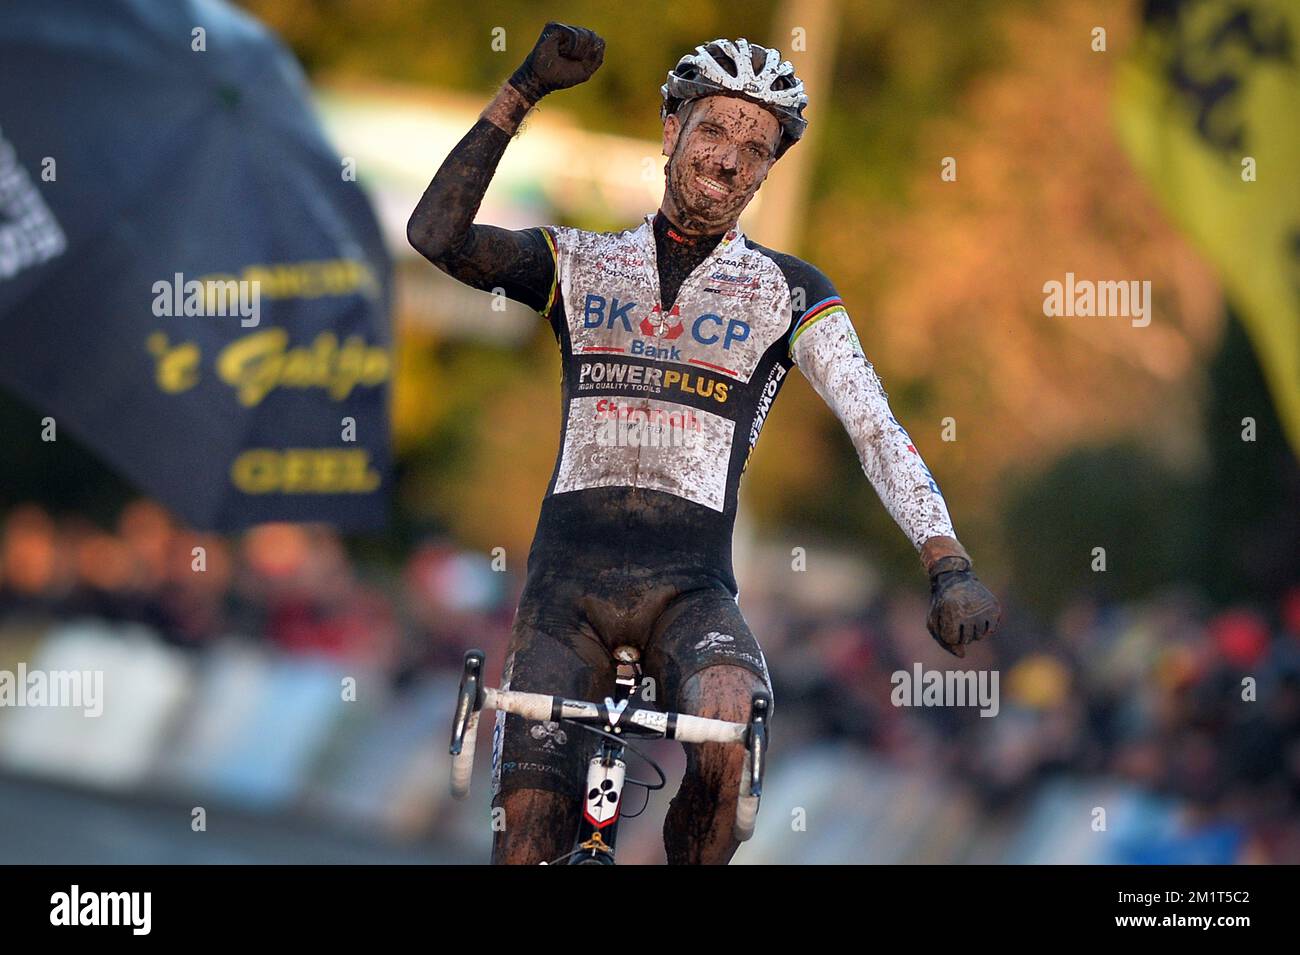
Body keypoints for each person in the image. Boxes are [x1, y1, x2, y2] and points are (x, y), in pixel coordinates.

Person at [408, 23, 1002, 864]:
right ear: (669, 132)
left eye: (755, 148)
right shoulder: (577, 262)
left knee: (732, 725)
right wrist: (524, 90)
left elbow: (874, 426)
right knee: (528, 843)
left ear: (768, 171)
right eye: (714, 129)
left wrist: (947, 561)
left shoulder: (792, 292)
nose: (728, 159)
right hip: (566, 590)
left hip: (690, 591)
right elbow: (436, 237)